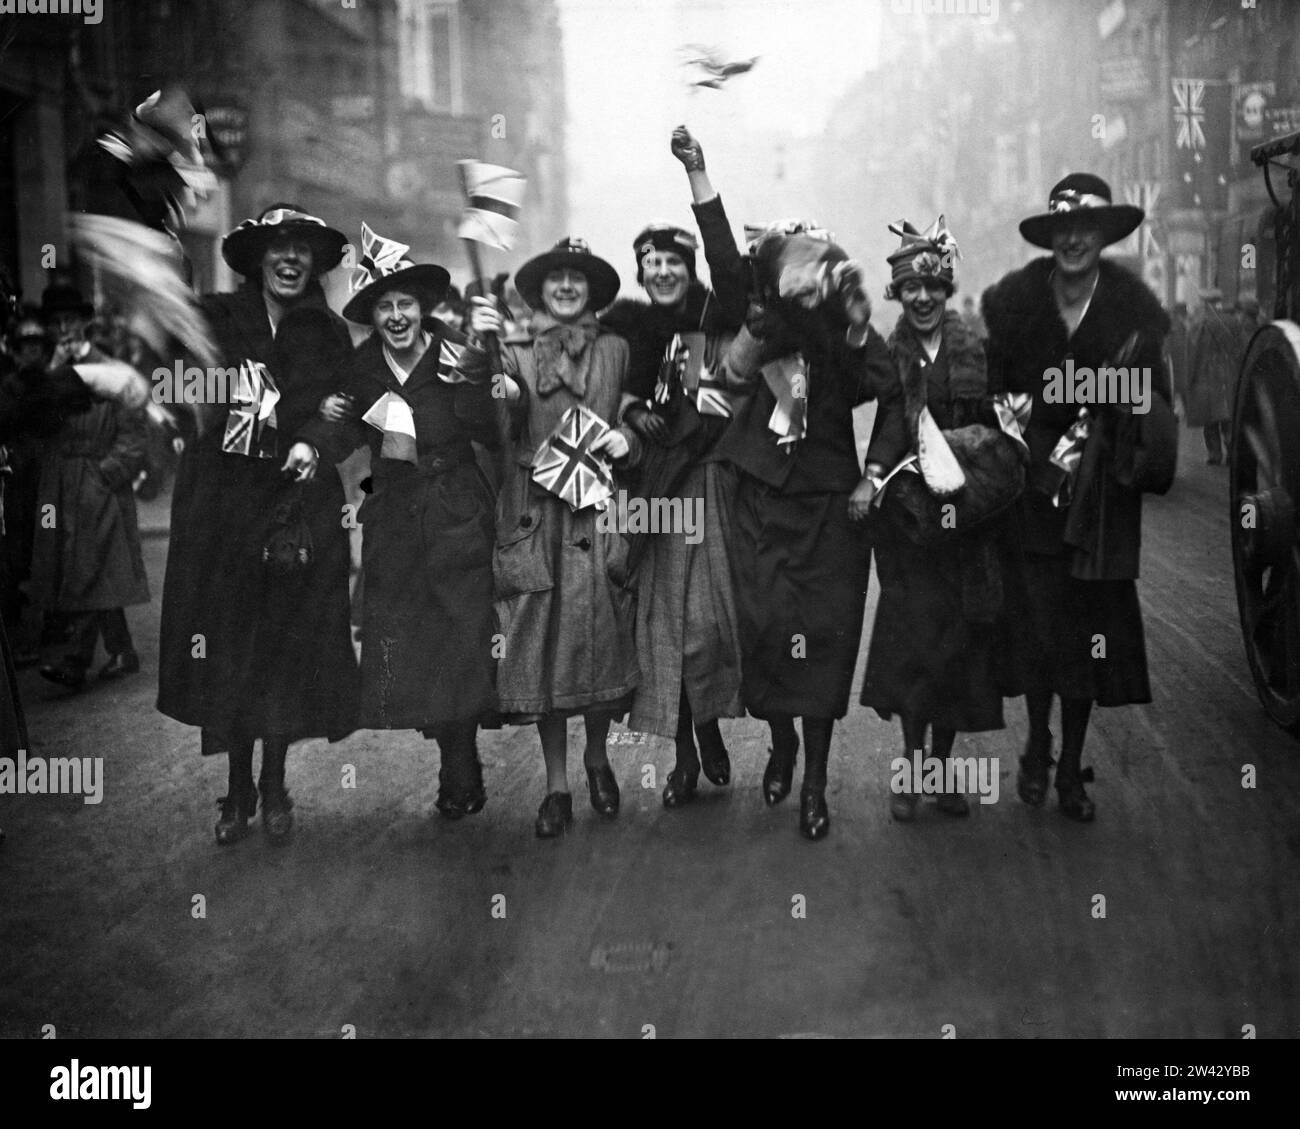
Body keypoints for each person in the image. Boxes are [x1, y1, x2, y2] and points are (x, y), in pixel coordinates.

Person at [157, 204, 360, 846]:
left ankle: (273, 784)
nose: (290, 258)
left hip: (296, 511)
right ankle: (236, 788)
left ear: (315, 262)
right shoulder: (217, 318)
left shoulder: (327, 332)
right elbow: (179, 381)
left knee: (284, 646)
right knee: (228, 644)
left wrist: (315, 438)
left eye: (301, 248)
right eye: (278, 247)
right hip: (222, 507)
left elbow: (347, 412)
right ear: (258, 259)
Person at [982, 173, 1174, 821]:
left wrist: (1114, 419)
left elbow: (1154, 408)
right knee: (1038, 629)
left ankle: (1070, 767)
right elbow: (994, 396)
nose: (1073, 241)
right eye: (1062, 230)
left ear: (1103, 238)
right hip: (1033, 495)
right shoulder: (1012, 309)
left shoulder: (1135, 319)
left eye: (1085, 231)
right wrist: (1020, 430)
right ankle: (1037, 742)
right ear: (1050, 238)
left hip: (1101, 501)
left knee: (1090, 634)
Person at [304, 228, 503, 818]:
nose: (396, 316)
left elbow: (487, 429)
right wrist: (325, 413)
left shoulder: (458, 355)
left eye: (405, 304)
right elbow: (343, 443)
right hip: (395, 517)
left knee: (465, 636)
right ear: (374, 316)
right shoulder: (361, 370)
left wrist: (476, 378)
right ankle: (449, 748)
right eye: (385, 306)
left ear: (424, 309)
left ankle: (460, 758)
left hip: (457, 509)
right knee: (417, 643)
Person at [712, 221, 896, 839]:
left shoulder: (843, 341)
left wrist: (857, 320)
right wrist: (698, 175)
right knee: (764, 630)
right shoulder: (762, 328)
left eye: (819, 281)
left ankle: (814, 780)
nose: (807, 296)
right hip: (760, 497)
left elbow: (885, 384)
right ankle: (781, 741)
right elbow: (723, 261)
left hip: (828, 506)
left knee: (822, 640)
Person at [465, 237, 641, 838]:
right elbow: (496, 419)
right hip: (536, 518)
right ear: (539, 289)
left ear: (592, 290)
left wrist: (629, 440)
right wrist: (486, 357)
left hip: (595, 515)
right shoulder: (511, 350)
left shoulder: (618, 349)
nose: (566, 286)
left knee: (598, 642)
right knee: (541, 649)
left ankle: (598, 756)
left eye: (578, 278)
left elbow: (641, 416)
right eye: (556, 278)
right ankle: (557, 785)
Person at [854, 217, 1022, 820]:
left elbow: (1007, 426)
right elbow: (886, 423)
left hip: (968, 521)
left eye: (933, 287)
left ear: (947, 291)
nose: (922, 298)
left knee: (959, 651)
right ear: (897, 295)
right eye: (910, 288)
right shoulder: (889, 353)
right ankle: (910, 769)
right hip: (911, 525)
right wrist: (874, 477)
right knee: (913, 649)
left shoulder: (976, 349)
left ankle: (945, 773)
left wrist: (973, 448)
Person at [599, 126, 748, 808]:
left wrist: (699, 176)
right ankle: (686, 750)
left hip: (707, 482)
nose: (661, 271)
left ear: (689, 269)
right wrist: (631, 415)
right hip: (646, 490)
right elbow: (600, 395)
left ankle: (711, 721)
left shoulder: (711, 317)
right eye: (650, 261)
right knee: (661, 627)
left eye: (672, 261)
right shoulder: (624, 327)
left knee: (708, 624)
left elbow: (733, 268)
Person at [31, 281, 150, 691]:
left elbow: (135, 429)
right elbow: (35, 423)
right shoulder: (48, 373)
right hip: (60, 481)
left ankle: (74, 661)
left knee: (89, 566)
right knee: (87, 568)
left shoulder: (110, 369)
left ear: (85, 324)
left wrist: (108, 471)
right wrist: (51, 376)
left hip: (96, 479)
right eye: (56, 324)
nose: (64, 330)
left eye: (71, 321)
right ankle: (122, 651)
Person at [1185, 289, 1236, 465]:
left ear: (1206, 304)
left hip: (1208, 375)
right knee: (1227, 416)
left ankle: (1215, 454)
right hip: (1229, 373)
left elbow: (1195, 352)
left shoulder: (1203, 323)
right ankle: (1232, 452)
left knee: (1210, 419)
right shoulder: (1232, 321)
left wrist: (1190, 378)